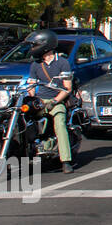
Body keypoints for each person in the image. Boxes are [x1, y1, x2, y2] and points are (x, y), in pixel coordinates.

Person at [26, 30, 75, 173]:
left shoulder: (62, 63)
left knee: (59, 122)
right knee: (24, 117)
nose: (33, 48)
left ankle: (65, 160)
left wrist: (54, 101)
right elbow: (31, 85)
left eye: (35, 45)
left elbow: (67, 88)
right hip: (40, 100)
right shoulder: (36, 64)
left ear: (46, 45)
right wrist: (32, 96)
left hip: (55, 100)